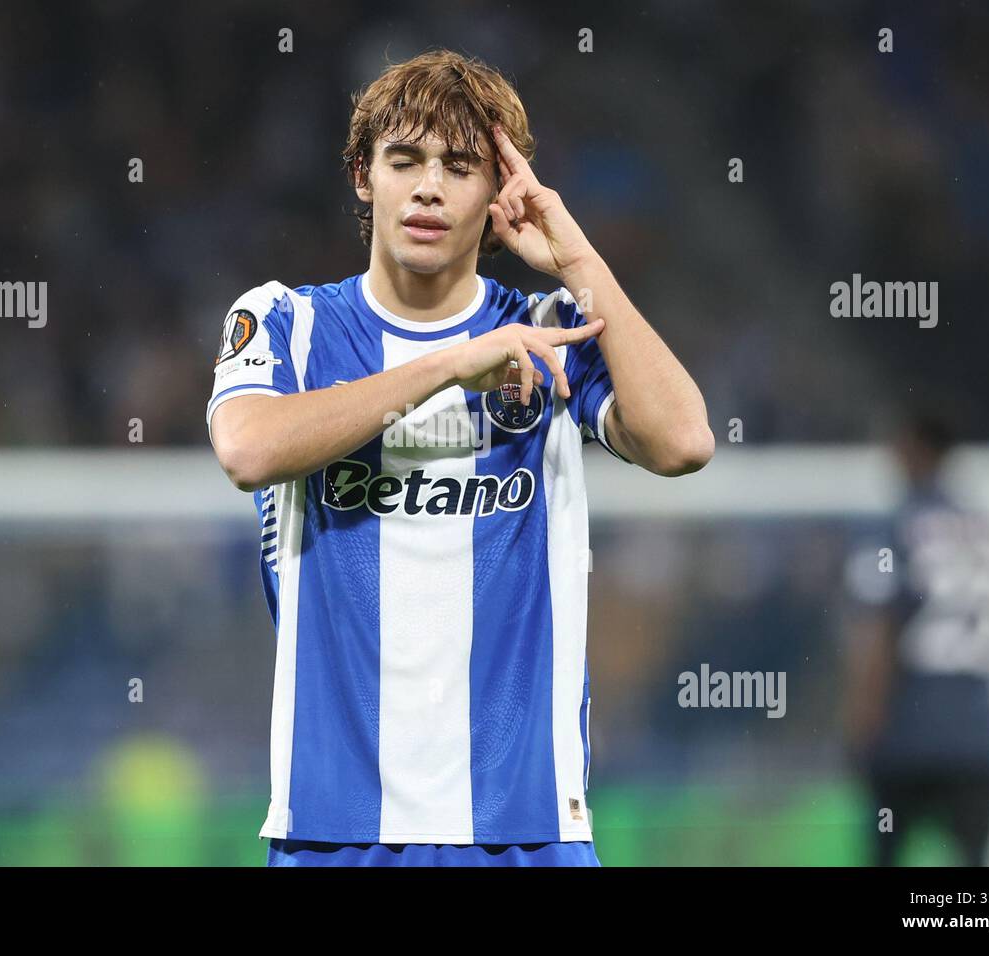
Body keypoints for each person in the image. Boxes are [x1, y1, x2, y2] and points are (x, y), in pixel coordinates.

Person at [206, 49, 713, 867]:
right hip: (337, 826)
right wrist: (450, 366)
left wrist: (581, 263)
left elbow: (684, 440)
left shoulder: (549, 325)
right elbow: (248, 448)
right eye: (404, 160)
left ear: (499, 193)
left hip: (526, 823)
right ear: (363, 177)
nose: (430, 187)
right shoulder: (286, 322)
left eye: (461, 166)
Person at [843, 412, 989, 866]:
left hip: (905, 732)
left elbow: (878, 627)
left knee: (886, 853)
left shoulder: (896, 527)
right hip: (976, 734)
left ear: (915, 448)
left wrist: (862, 717)